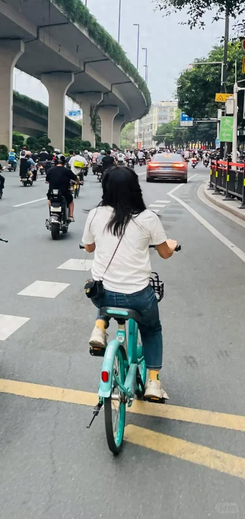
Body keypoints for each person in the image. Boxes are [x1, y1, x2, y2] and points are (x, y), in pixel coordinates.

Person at [82, 166, 178, 401]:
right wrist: (172, 245)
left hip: (103, 295)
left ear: (106, 189)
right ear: (136, 188)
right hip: (138, 296)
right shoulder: (147, 218)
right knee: (152, 330)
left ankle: (100, 326)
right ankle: (153, 383)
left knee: (101, 283)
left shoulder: (95, 214)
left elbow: (89, 247)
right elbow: (165, 253)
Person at [45, 155, 76, 221]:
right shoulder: (67, 171)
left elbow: (47, 180)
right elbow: (75, 178)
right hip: (64, 192)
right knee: (70, 201)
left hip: (52, 192)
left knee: (49, 199)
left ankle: (51, 212)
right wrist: (79, 182)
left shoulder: (50, 170)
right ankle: (71, 215)